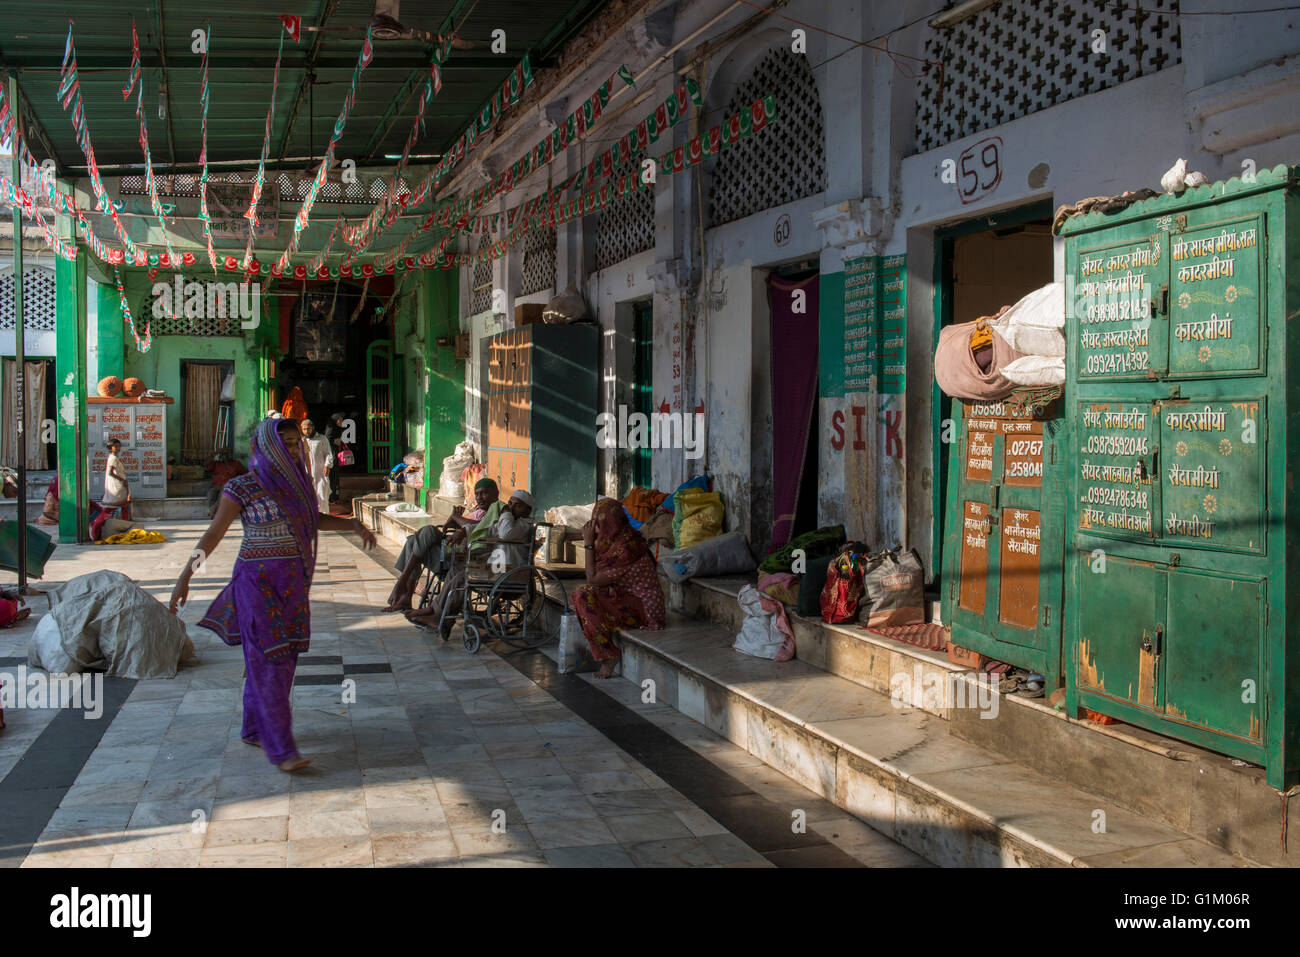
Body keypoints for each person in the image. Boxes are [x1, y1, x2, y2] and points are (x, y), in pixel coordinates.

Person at [167, 417, 376, 773]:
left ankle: (253, 728)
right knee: (272, 660)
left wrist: (352, 524)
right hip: (255, 585)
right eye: (286, 443)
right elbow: (213, 535)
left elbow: (313, 520)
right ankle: (283, 750)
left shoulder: (298, 486)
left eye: (296, 443)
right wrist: (184, 577)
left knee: (280, 659)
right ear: (264, 447)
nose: (293, 449)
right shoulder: (242, 488)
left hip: (292, 587)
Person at [407, 489, 534, 637]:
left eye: (517, 505)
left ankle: (439, 617)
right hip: (498, 568)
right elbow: (486, 529)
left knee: (464, 577)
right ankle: (436, 610)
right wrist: (463, 531)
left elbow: (505, 533)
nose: (511, 507)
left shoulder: (524, 525)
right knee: (457, 569)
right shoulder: (511, 521)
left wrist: (505, 511)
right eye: (510, 503)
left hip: (510, 572)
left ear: (527, 510)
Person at [570, 497, 666, 679]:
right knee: (579, 596)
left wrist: (589, 544)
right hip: (629, 597)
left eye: (599, 523)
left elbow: (593, 578)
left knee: (584, 596)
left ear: (610, 523)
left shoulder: (626, 549)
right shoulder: (621, 538)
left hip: (646, 611)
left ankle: (609, 655)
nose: (596, 528)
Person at [382, 477, 501, 613]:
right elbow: (446, 529)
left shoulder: (498, 511)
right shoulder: (476, 511)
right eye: (477, 493)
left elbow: (479, 528)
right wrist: (452, 516)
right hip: (450, 549)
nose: (480, 497)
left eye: (484, 493)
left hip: (461, 558)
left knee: (426, 532)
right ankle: (404, 596)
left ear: (495, 494)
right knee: (414, 541)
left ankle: (403, 585)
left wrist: (458, 519)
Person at [92, 439, 132, 540]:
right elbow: (110, 473)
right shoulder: (113, 458)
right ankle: (97, 525)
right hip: (117, 486)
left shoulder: (113, 457)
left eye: (119, 446)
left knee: (122, 506)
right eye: (116, 446)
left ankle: (125, 526)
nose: (118, 448)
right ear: (111, 448)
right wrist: (122, 480)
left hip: (117, 485)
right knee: (116, 506)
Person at [301, 419, 333, 515]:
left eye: (309, 429)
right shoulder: (300, 441)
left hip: (321, 474)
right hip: (306, 474)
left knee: (322, 497)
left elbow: (328, 453)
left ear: (313, 428)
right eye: (304, 429)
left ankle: (325, 520)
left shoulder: (322, 439)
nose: (307, 431)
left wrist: (327, 465)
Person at [324, 413, 346, 503]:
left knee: (335, 475)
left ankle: (334, 494)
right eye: (339, 420)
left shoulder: (336, 428)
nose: (341, 422)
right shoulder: (330, 429)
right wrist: (336, 441)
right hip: (332, 453)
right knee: (332, 475)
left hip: (335, 452)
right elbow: (328, 439)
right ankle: (331, 495)